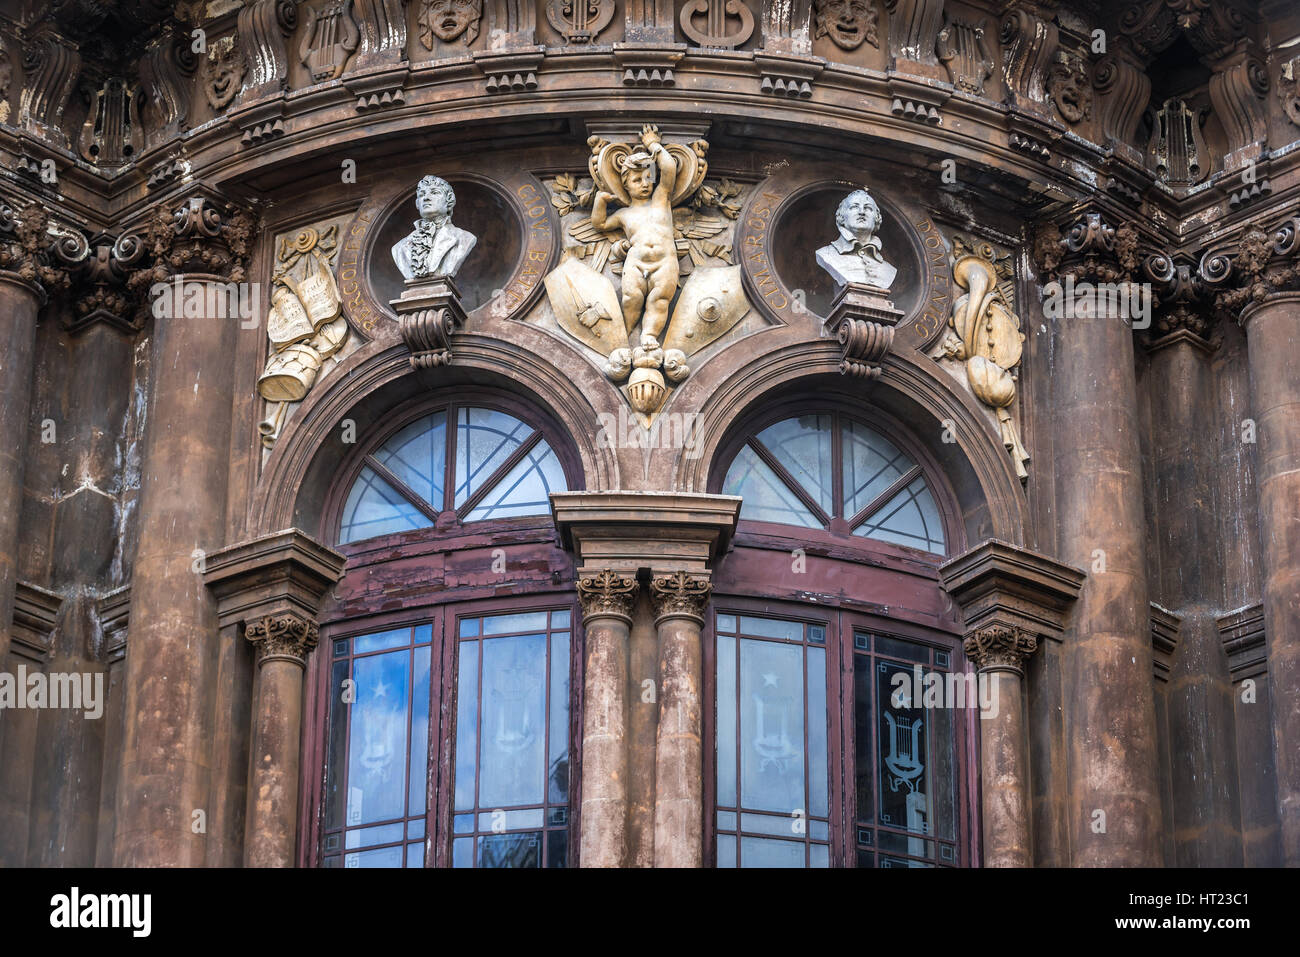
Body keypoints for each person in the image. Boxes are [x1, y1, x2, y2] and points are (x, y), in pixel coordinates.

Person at [591, 124, 679, 349]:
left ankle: (649, 335)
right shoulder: (624, 214)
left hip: (664, 262)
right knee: (631, 298)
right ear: (625, 185)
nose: (644, 184)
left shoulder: (661, 198)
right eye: (636, 180)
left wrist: (653, 144)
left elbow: (668, 168)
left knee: (659, 301)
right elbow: (600, 224)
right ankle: (626, 333)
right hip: (636, 262)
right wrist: (600, 202)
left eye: (648, 178)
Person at [391, 175, 477, 280]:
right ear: (417, 203)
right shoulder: (399, 248)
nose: (426, 198)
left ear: (449, 200)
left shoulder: (465, 238)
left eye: (434, 192)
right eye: (422, 194)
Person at [815, 188, 897, 289]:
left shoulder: (889, 269)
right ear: (842, 217)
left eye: (868, 208)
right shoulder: (826, 254)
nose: (862, 212)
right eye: (854, 207)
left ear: (876, 219)